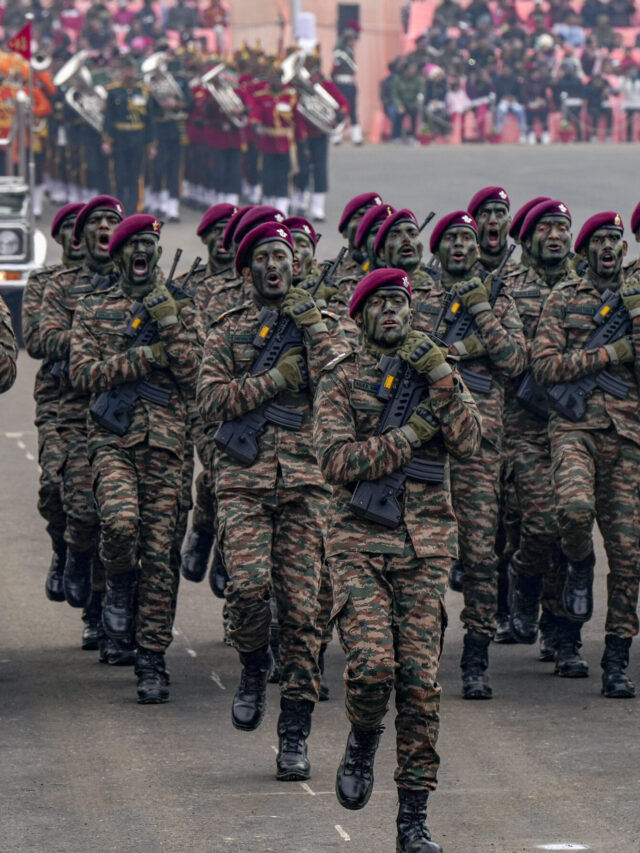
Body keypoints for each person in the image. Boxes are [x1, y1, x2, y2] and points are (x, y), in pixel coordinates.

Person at [313, 267, 481, 853]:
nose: (392, 311)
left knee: (420, 684)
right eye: (380, 303)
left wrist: (440, 375)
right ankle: (363, 734)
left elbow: (469, 442)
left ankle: (413, 819)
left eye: (400, 303)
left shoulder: (438, 371)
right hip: (358, 542)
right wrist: (409, 436)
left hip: (425, 546)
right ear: (361, 315)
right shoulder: (341, 378)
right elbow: (335, 461)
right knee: (372, 668)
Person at [196, 222, 348, 781]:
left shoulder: (326, 325)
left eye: (282, 256)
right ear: (246, 271)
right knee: (247, 588)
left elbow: (346, 384)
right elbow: (211, 400)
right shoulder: (228, 330)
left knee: (305, 615)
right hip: (243, 482)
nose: (273, 265)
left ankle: (294, 735)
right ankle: (254, 664)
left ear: (298, 266)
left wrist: (313, 330)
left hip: (308, 487)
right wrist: (273, 380)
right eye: (261, 258)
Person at [69, 214, 202, 703]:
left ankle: (151, 660)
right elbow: (82, 374)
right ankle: (119, 582)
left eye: (149, 244)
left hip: (168, 449)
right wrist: (144, 358)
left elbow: (196, 374)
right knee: (120, 525)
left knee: (161, 558)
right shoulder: (94, 308)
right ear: (120, 253)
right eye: (133, 244)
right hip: (113, 441)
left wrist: (168, 323)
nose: (142, 250)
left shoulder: (182, 307)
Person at [532, 211, 640, 699]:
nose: (608, 247)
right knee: (574, 513)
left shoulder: (635, 300)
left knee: (628, 554)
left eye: (615, 239)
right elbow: (543, 367)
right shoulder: (564, 298)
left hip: (627, 437)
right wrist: (608, 355)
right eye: (599, 240)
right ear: (585, 250)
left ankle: (616, 657)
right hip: (574, 430)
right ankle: (579, 564)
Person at [430, 211, 526, 699]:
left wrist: (483, 311)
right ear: (438, 249)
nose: (461, 246)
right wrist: (465, 347)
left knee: (479, 554)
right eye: (452, 239)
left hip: (480, 447)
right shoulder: (418, 299)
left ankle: (476, 655)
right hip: (428, 443)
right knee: (426, 553)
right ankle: (421, 648)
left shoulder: (498, 298)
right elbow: (409, 353)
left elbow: (514, 360)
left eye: (468, 239)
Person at [504, 199, 587, 676]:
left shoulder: (587, 285)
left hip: (577, 422)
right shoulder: (510, 288)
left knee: (570, 525)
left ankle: (563, 635)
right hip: (526, 426)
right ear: (527, 238)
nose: (556, 235)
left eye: (562, 227)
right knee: (539, 523)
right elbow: (511, 358)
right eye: (546, 228)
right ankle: (524, 579)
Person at [40, 195, 125, 659]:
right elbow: (44, 338)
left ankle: (103, 614)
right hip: (71, 410)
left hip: (126, 417)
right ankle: (69, 553)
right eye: (97, 221)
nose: (105, 227)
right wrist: (96, 334)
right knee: (72, 504)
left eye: (114, 220)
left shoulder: (138, 285)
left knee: (117, 519)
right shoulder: (59, 284)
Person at [22, 203, 84, 610]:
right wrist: (96, 332)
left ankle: (97, 603)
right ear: (59, 237)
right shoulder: (44, 282)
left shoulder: (117, 282)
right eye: (71, 229)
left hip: (105, 399)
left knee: (95, 503)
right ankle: (62, 548)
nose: (79, 236)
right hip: (58, 396)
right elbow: (35, 340)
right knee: (53, 488)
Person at [102, 56, 157, 216]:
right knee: (120, 175)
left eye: (131, 70)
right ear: (121, 71)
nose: (129, 73)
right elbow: (108, 118)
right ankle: (120, 206)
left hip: (138, 137)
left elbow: (150, 119)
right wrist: (107, 141)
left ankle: (134, 208)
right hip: (119, 137)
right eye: (126, 70)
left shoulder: (144, 91)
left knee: (136, 174)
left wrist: (152, 144)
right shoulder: (113, 91)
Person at [331, 20, 363, 145]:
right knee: (339, 110)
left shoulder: (350, 52)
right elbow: (334, 69)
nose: (353, 42)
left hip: (350, 84)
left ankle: (356, 137)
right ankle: (336, 136)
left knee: (353, 110)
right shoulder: (341, 53)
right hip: (340, 84)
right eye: (351, 39)